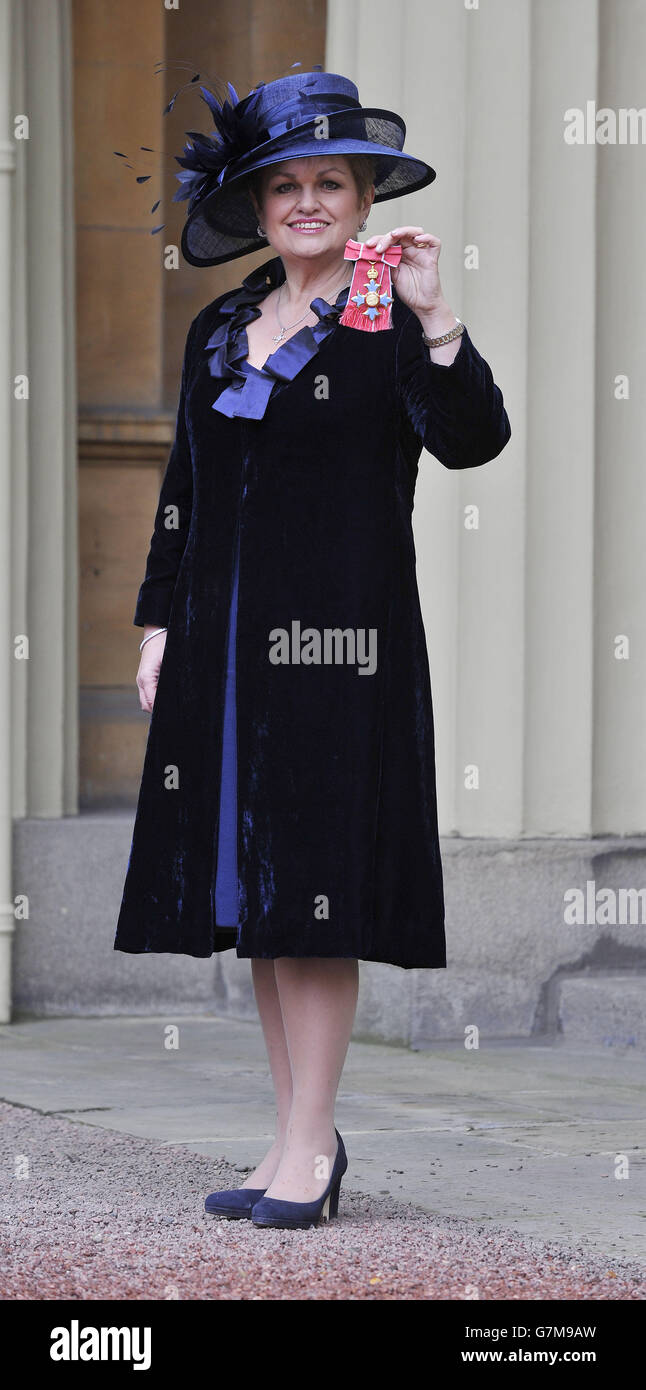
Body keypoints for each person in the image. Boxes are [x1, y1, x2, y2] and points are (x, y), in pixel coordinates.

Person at [114, 67, 512, 1230]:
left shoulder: (387, 321)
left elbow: (474, 442)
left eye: (328, 182)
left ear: (362, 199)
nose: (305, 202)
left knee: (315, 896)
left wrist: (440, 317)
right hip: (222, 646)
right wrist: (155, 621)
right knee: (255, 891)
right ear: (256, 202)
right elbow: (183, 489)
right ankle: (296, 1136)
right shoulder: (220, 325)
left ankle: (307, 1149)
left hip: (340, 651)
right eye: (283, 184)